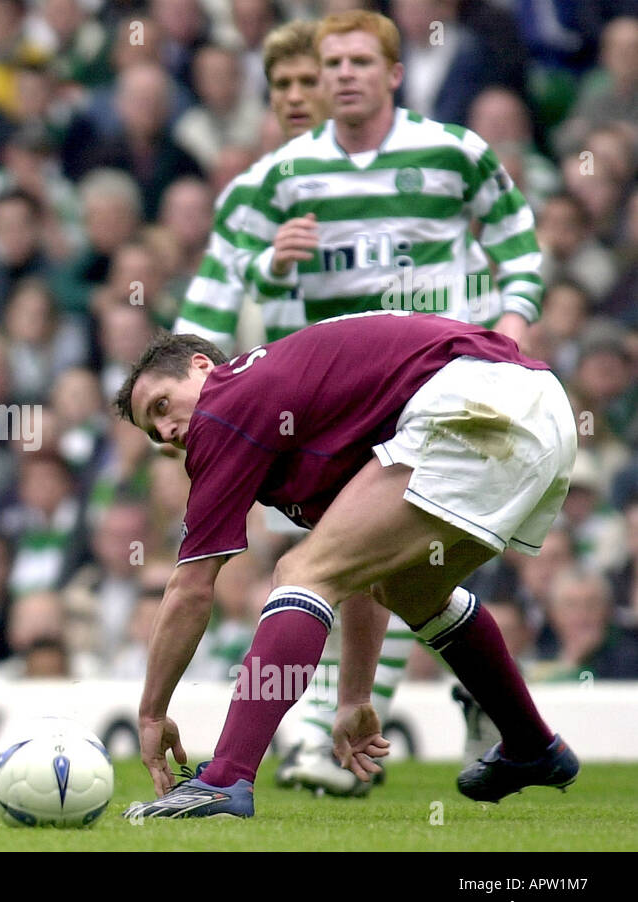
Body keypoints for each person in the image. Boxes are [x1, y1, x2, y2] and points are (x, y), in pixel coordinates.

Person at [177, 12, 540, 796]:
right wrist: (271, 271)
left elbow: (516, 238)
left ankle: (293, 748)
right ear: (270, 97)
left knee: (346, 570)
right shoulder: (269, 186)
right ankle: (472, 723)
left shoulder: (451, 152)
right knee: (372, 575)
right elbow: (200, 332)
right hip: (327, 412)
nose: (314, 90)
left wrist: (512, 324)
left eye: (336, 69)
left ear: (393, 71)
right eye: (296, 81)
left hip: (450, 389)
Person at [115, 312, 580, 819]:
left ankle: (226, 780)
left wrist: (151, 712)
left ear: (202, 366)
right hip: (539, 411)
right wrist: (353, 697)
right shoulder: (293, 420)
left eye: (161, 406)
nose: (167, 432)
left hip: (482, 400)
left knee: (299, 574)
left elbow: (191, 588)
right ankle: (533, 745)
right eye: (153, 430)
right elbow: (360, 569)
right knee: (408, 590)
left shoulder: (227, 399)